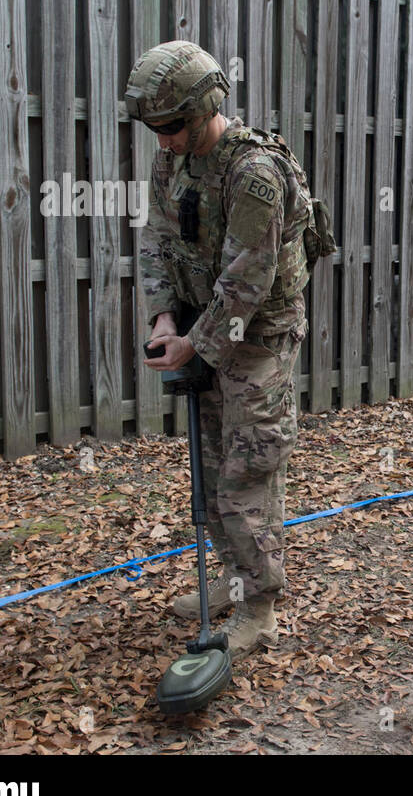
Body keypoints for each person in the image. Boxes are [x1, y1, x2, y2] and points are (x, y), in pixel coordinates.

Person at [127, 40, 333, 658]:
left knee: (249, 470)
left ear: (203, 109)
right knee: (213, 464)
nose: (162, 141)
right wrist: (166, 319)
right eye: (154, 130)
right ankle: (232, 578)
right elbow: (159, 240)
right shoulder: (173, 162)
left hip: (257, 341)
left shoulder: (255, 174)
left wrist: (194, 342)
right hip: (202, 332)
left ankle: (261, 607)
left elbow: (250, 276)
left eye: (171, 127)